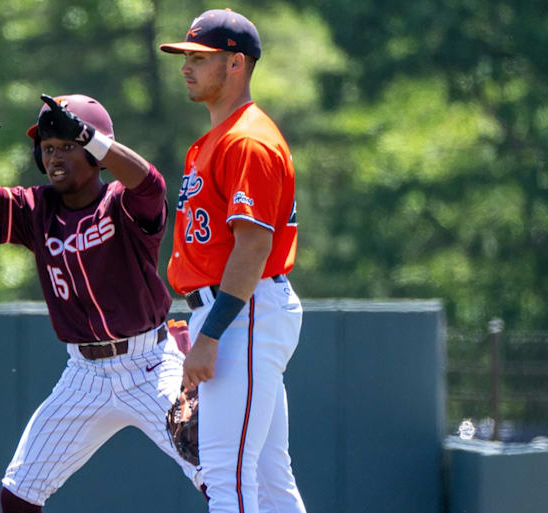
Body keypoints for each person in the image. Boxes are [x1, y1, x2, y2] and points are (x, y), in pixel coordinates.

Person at [0, 90, 202, 512]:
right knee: (18, 496)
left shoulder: (123, 204)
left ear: (96, 152)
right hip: (84, 374)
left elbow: (151, 184)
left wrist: (94, 139)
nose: (55, 156)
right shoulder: (35, 209)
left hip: (151, 365)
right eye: (49, 147)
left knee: (213, 472)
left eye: (68, 147)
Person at [159, 8, 307, 513]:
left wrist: (212, 331)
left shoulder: (248, 139)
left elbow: (254, 247)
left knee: (227, 477)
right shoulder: (215, 140)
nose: (187, 67)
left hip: (241, 314)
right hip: (235, 311)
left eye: (201, 57)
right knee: (268, 480)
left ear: (236, 63)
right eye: (187, 57)